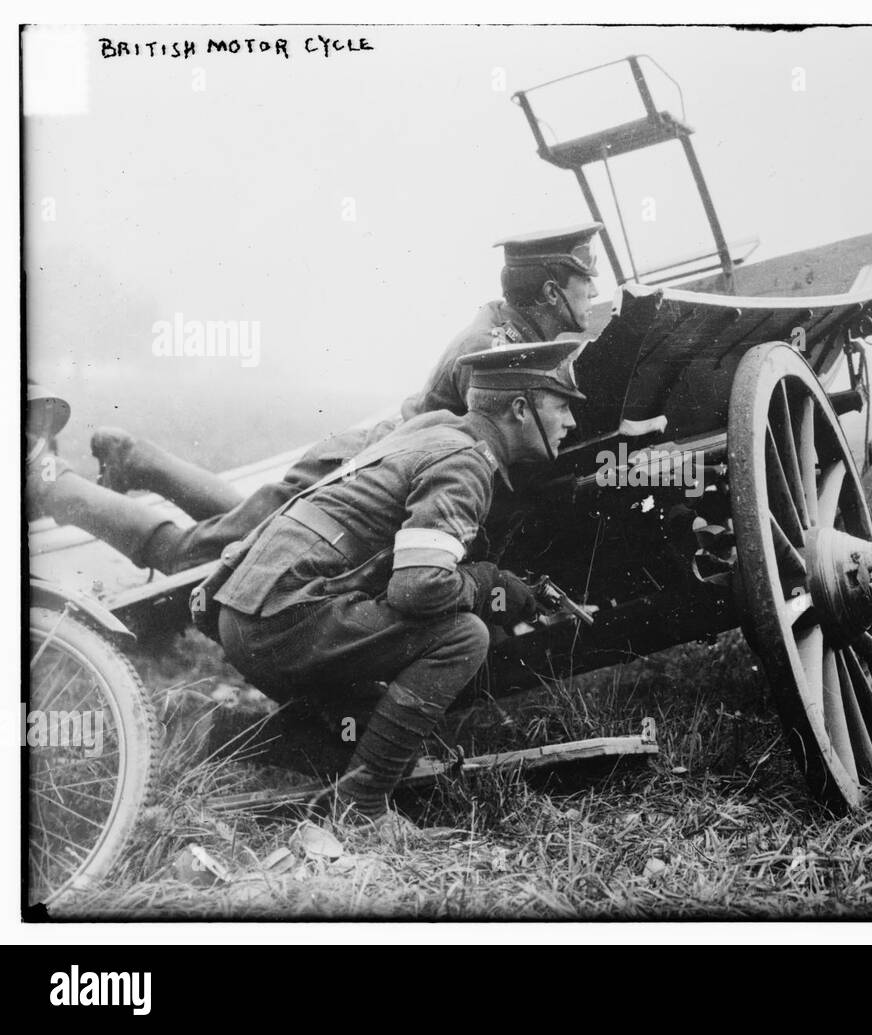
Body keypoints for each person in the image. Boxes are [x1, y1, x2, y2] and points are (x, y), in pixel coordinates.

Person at [26, 223, 603, 576]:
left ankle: (137, 459)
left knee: (247, 531)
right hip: (357, 469)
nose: (595, 291)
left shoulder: (522, 334)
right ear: (552, 290)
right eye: (587, 279)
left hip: (367, 466)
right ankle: (52, 484)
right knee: (198, 558)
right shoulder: (494, 345)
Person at [214, 340, 584, 821]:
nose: (570, 423)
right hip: (285, 620)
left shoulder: (432, 430)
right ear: (520, 408)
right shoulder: (466, 463)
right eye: (561, 407)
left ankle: (224, 732)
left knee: (378, 737)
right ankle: (362, 808)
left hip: (247, 611)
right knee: (463, 637)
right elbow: (418, 587)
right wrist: (489, 585)